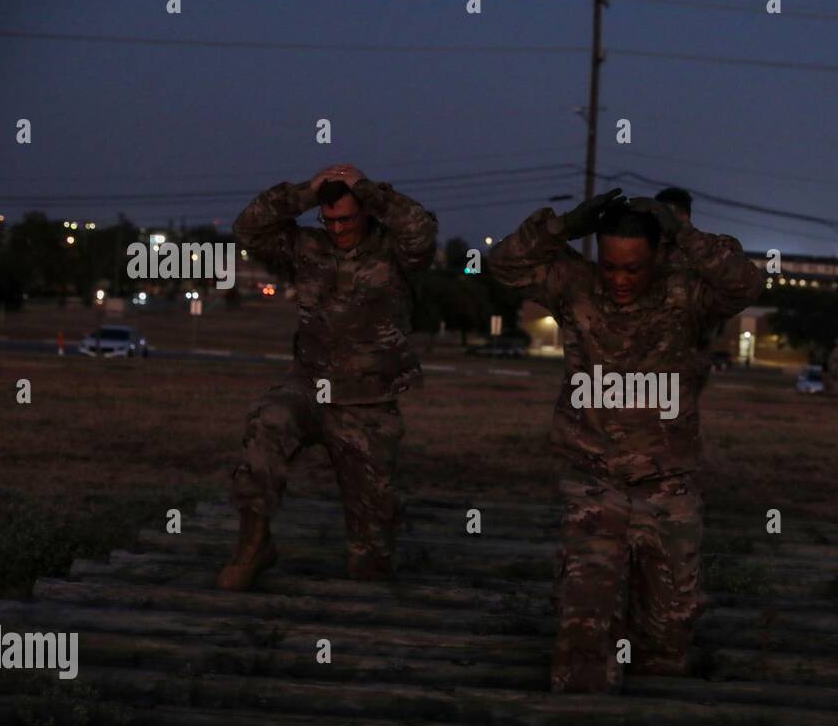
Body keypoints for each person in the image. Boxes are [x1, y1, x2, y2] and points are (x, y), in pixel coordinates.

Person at [489, 189, 764, 693]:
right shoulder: (574, 284)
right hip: (593, 483)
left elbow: (745, 282)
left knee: (667, 637)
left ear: (658, 256)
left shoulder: (687, 294)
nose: (619, 280)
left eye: (633, 269)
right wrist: (563, 227)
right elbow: (503, 265)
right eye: (610, 266)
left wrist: (683, 233)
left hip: (666, 485)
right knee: (584, 631)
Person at [216, 164, 438, 590]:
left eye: (347, 219)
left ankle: (369, 557)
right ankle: (254, 544)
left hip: (366, 401)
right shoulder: (306, 248)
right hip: (309, 385)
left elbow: (420, 230)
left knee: (370, 563)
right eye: (329, 219)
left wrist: (368, 189)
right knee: (267, 419)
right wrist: (304, 192)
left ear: (366, 213)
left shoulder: (396, 251)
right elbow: (248, 229)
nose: (337, 228)